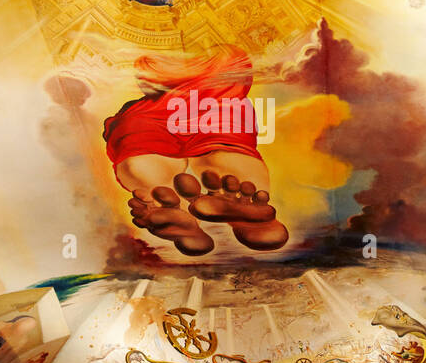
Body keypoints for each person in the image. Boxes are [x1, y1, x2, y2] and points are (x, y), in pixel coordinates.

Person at [103, 45, 288, 254]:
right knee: (227, 153)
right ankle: (246, 200)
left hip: (154, 111)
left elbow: (146, 76)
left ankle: (161, 200)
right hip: (218, 100)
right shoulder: (227, 54)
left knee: (140, 156)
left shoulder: (148, 53)